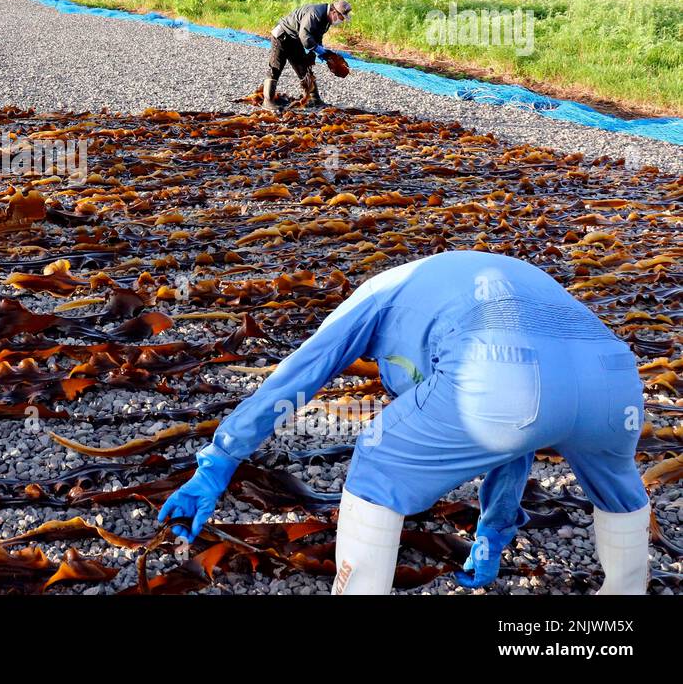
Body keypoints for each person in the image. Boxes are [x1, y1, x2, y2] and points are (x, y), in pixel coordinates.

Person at [158, 251, 650, 596]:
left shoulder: (376, 295)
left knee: (378, 462)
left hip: (498, 374)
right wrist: (494, 531)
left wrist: (220, 459)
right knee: (621, 496)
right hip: (614, 377)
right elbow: (519, 430)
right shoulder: (483, 279)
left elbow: (298, 376)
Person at [262, 0, 351, 112]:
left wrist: (321, 53)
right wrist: (319, 50)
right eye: (341, 18)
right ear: (333, 11)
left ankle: (313, 99)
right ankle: (268, 101)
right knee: (276, 66)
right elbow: (305, 36)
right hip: (282, 35)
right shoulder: (315, 14)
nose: (341, 21)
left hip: (295, 38)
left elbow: (316, 36)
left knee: (303, 67)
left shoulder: (326, 19)